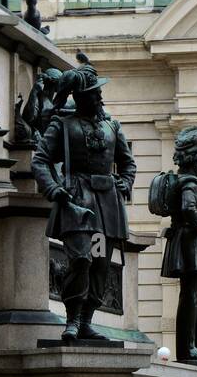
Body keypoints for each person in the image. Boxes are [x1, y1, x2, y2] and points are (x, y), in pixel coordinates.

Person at [31, 54, 135, 340]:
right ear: (80, 97)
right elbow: (40, 160)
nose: (100, 96)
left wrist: (125, 183)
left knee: (101, 263)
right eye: (94, 92)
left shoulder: (112, 126)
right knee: (81, 259)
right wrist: (53, 189)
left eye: (100, 91)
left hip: (107, 205)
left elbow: (128, 162)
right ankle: (72, 320)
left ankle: (87, 320)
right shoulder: (62, 125)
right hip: (77, 202)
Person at [161, 125, 197, 363]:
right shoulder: (189, 183)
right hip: (191, 244)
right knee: (192, 295)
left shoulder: (192, 182)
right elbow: (188, 207)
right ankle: (188, 347)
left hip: (192, 243)